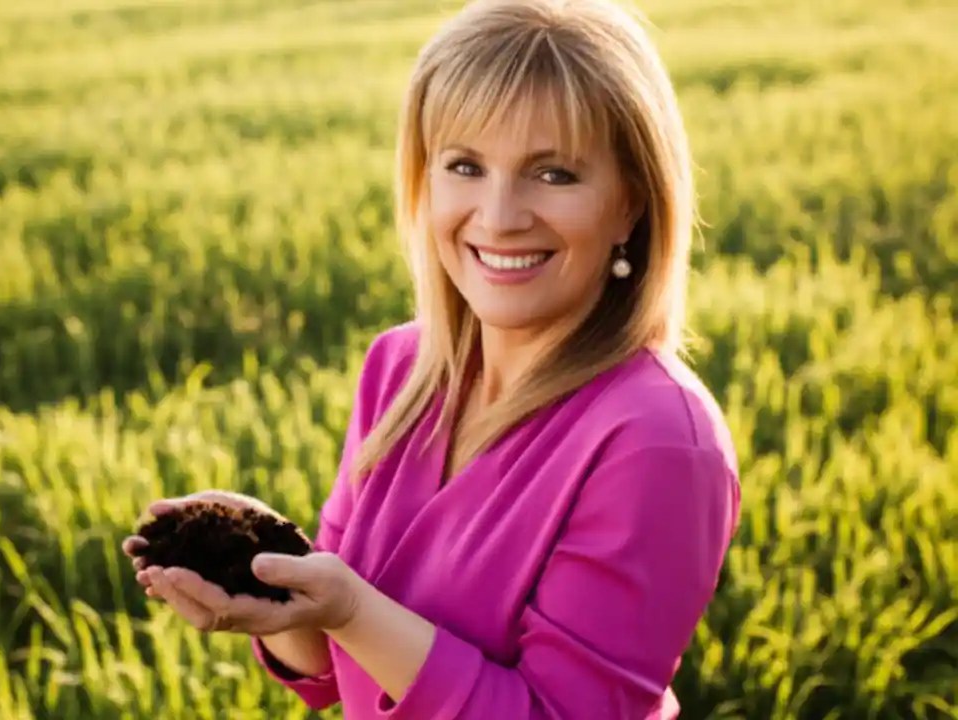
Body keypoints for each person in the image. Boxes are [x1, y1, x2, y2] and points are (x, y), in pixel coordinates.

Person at [121, 0, 742, 716]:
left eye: (554, 175)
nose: (500, 214)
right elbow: (333, 666)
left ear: (631, 202)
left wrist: (351, 608)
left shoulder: (658, 441)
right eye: (466, 165)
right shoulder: (402, 369)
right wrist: (272, 583)